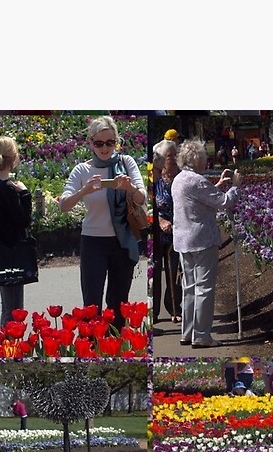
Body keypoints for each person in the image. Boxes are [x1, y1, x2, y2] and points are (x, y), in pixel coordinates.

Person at [60, 115, 147, 330]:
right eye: (99, 143)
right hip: (93, 242)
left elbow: (142, 198)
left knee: (118, 306)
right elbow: (63, 205)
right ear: (90, 143)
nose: (105, 148)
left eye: (110, 143)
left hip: (122, 241)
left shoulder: (126, 163)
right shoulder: (82, 170)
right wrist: (84, 190)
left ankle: (115, 348)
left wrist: (130, 188)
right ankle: (92, 350)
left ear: (116, 142)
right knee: (91, 306)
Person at [171, 138, 238, 348]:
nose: (206, 161)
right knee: (204, 288)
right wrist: (235, 186)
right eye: (204, 157)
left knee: (189, 288)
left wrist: (216, 185)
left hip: (183, 239)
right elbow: (225, 202)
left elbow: (199, 199)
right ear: (198, 159)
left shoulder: (179, 179)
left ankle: (188, 333)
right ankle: (202, 336)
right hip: (202, 239)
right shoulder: (196, 181)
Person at [0, 135, 35, 328]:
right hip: (13, 252)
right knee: (15, 310)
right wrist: (25, 195)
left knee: (6, 306)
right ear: (14, 159)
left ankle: (6, 345)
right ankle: (10, 348)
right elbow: (24, 221)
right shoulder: (10, 190)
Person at [152, 139, 182, 326]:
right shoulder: (154, 179)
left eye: (175, 155)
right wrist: (160, 220)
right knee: (154, 271)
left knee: (174, 272)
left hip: (176, 232)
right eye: (170, 156)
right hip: (157, 233)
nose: (174, 159)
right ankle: (153, 313)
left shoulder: (181, 178)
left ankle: (174, 309)